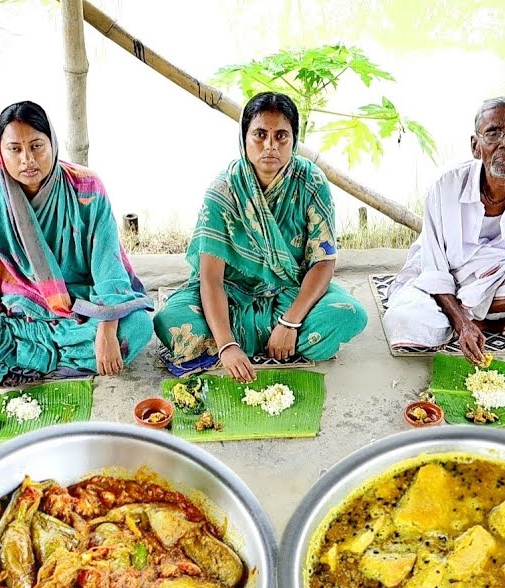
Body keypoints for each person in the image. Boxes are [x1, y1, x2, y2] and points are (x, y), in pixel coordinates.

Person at [0, 101, 153, 391]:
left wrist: (107, 327)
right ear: (1, 152)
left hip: (82, 310)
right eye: (15, 149)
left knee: (137, 327)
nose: (27, 160)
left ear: (53, 144)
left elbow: (110, 271)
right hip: (18, 314)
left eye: (36, 146)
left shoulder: (87, 188)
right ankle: (55, 361)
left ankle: (24, 363)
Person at [153, 91, 367, 382]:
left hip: (290, 292)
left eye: (281, 136)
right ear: (244, 139)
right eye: (260, 135)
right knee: (170, 321)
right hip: (230, 295)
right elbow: (211, 279)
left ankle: (268, 337)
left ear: (294, 140)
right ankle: (254, 343)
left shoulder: (312, 182)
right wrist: (227, 345)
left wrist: (290, 321)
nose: (270, 146)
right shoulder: (223, 191)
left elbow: (323, 263)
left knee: (349, 314)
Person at [383, 96, 505, 365]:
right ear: (475, 146)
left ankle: (480, 314)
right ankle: (487, 325)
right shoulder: (445, 186)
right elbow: (434, 270)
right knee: (404, 321)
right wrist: (463, 325)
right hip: (447, 283)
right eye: (493, 134)